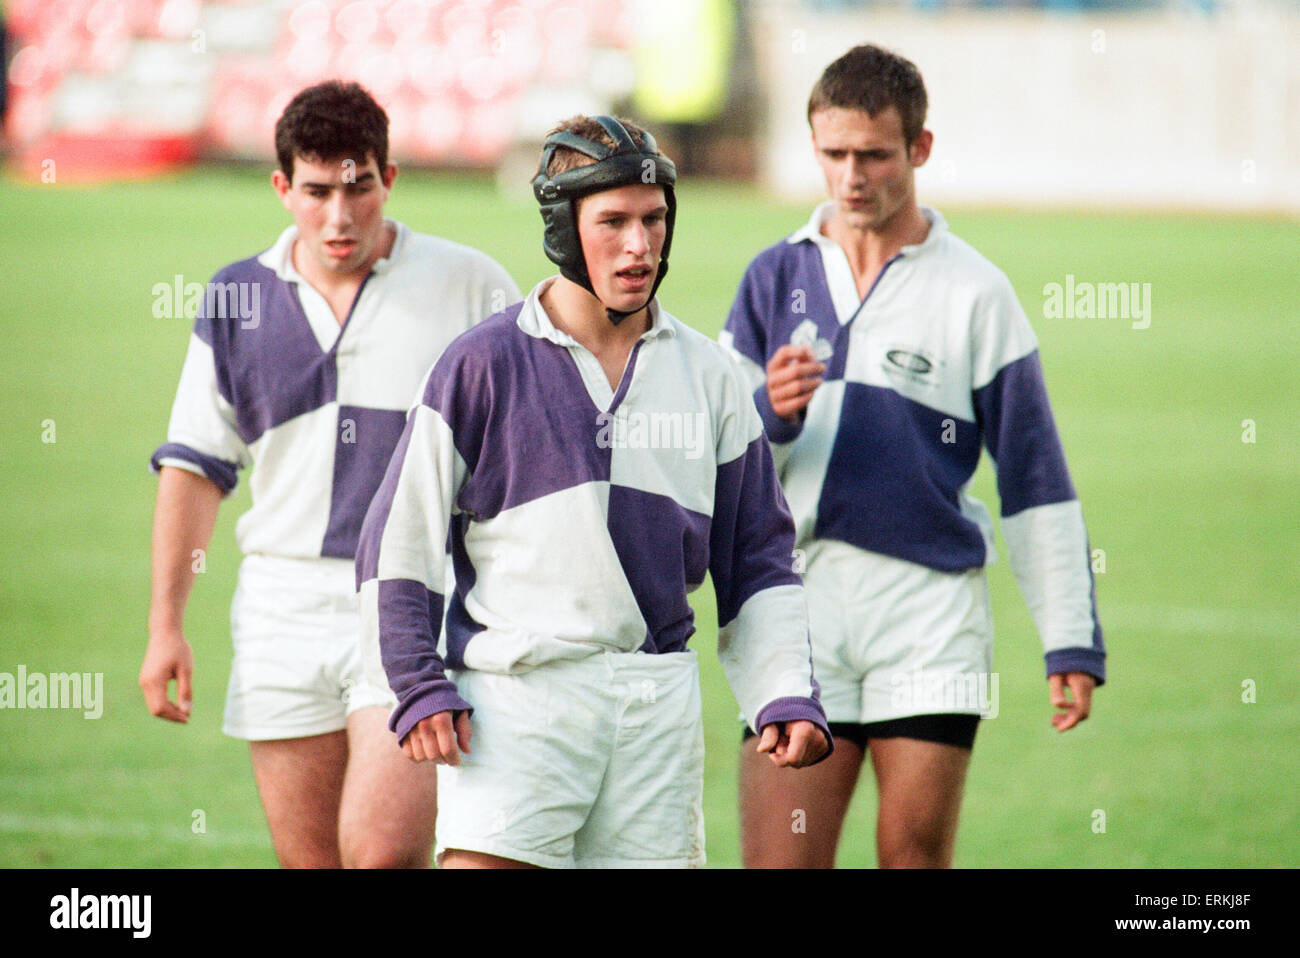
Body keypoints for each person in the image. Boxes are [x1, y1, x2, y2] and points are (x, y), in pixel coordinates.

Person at [356, 114, 831, 869]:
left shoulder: (711, 379)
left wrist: (782, 690)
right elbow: (397, 539)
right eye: (613, 222)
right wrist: (416, 683)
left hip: (657, 715)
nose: (640, 246)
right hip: (515, 707)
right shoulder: (480, 365)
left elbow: (761, 563)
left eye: (654, 220)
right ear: (562, 229)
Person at [722, 45, 1105, 868]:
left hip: (928, 614)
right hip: (798, 609)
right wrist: (768, 414)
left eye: (873, 155)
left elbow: (1034, 477)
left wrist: (1068, 638)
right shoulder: (770, 279)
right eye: (833, 155)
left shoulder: (976, 293)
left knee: (914, 858)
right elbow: (714, 465)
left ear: (919, 149)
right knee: (780, 862)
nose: (851, 176)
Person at [139, 80, 520, 868]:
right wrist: (165, 625)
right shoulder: (234, 297)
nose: (339, 216)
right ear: (282, 188)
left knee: (380, 856)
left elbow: (525, 454)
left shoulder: (471, 286)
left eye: (358, 187)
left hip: (413, 601)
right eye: (316, 192)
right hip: (281, 606)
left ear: (389, 178)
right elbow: (194, 469)